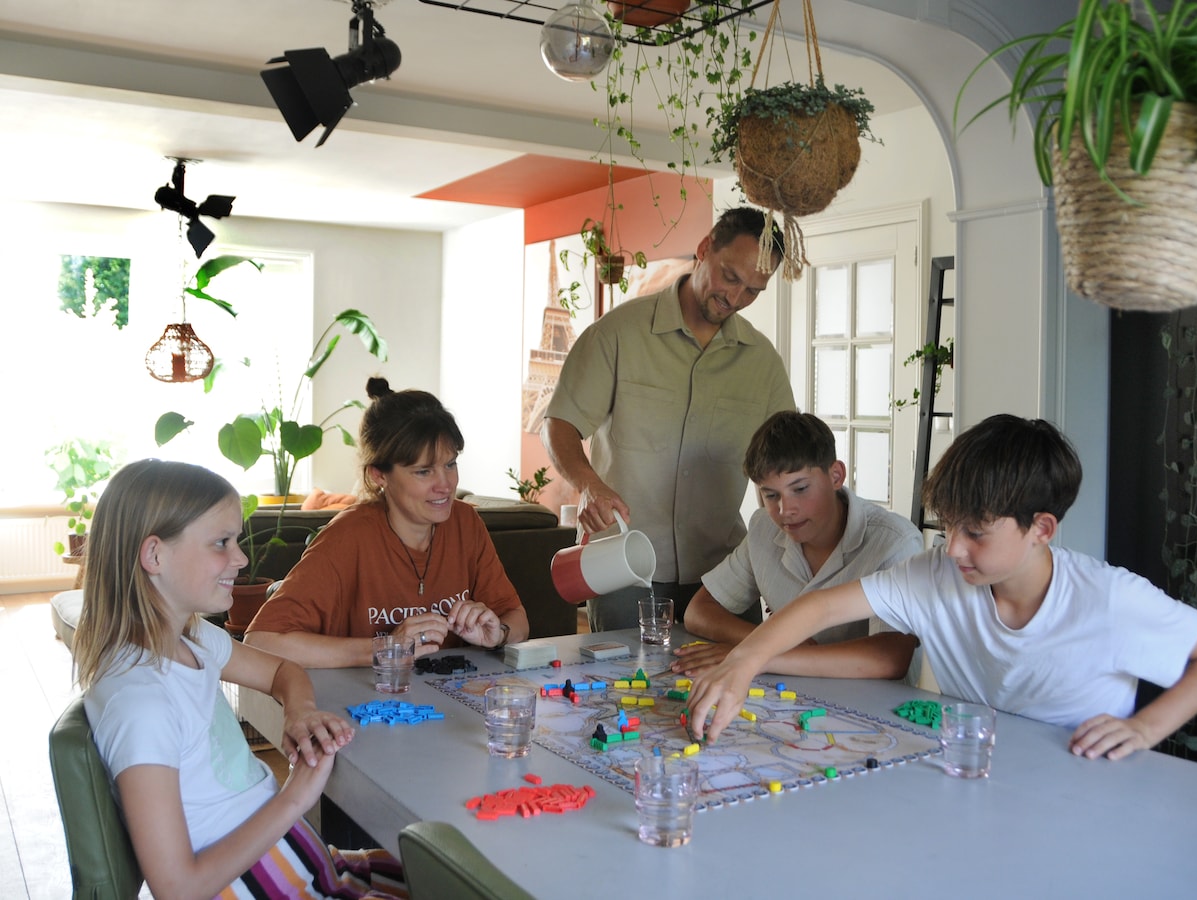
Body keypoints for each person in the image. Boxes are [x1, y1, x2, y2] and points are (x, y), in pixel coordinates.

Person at [687, 414, 1197, 761]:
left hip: (1082, 785)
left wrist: (1146, 727)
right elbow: (820, 607)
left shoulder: (1108, 598)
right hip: (973, 770)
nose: (953, 548)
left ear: (1041, 528)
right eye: (948, 526)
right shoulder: (938, 577)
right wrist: (744, 663)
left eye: (975, 533)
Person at [75, 459, 407, 899]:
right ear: (154, 555)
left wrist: (300, 713)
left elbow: (281, 669)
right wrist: (295, 796)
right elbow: (178, 888)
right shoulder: (141, 702)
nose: (242, 558)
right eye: (221, 543)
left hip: (297, 868)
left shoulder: (190, 638)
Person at [542, 206, 797, 632]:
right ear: (704, 249)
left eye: (753, 290)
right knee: (622, 694)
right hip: (623, 564)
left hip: (724, 575)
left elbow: (788, 460)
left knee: (738, 694)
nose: (735, 298)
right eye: (730, 277)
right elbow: (560, 424)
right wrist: (590, 485)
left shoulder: (763, 362)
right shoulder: (617, 334)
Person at [246, 380, 528, 667]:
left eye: (450, 464)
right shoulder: (347, 537)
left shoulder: (466, 523)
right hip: (370, 705)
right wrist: (384, 648)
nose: (445, 485)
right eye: (424, 472)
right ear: (379, 475)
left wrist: (498, 634)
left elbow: (517, 619)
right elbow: (262, 642)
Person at [672, 410, 923, 680]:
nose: (785, 509)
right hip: (789, 700)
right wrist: (765, 643)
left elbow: (891, 659)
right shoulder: (763, 528)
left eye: (800, 489)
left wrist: (761, 654)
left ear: (836, 476)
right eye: (770, 495)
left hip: (872, 708)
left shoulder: (894, 541)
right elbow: (699, 611)